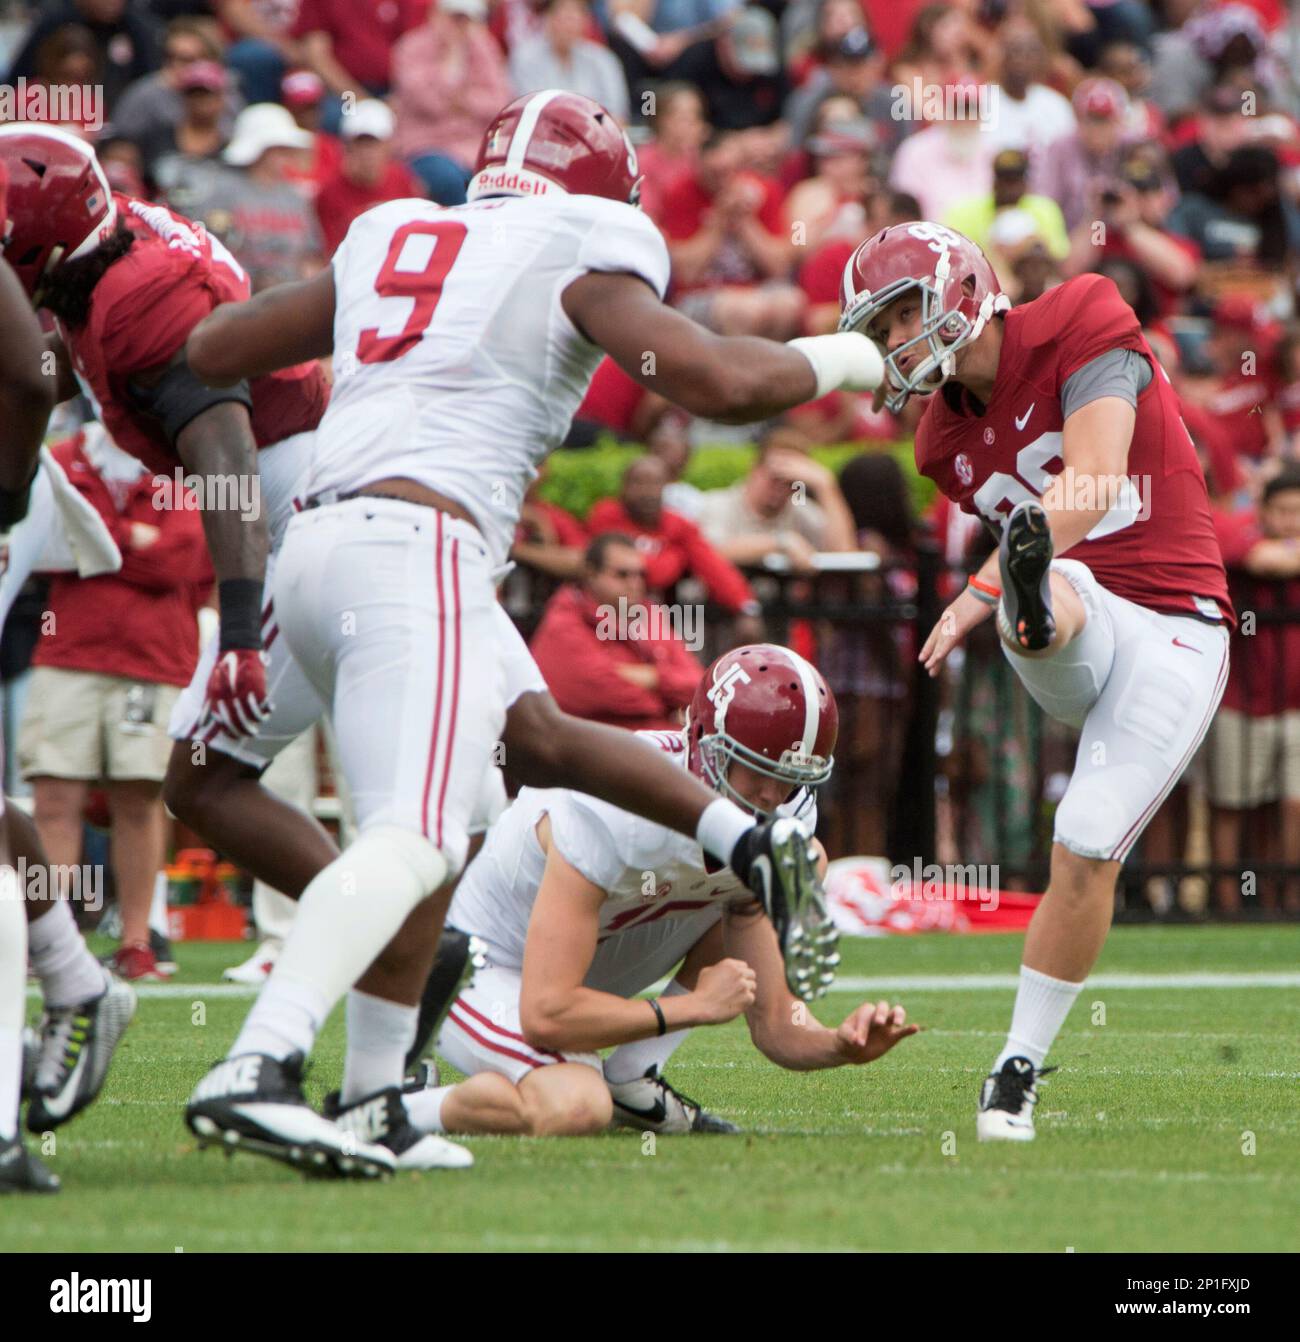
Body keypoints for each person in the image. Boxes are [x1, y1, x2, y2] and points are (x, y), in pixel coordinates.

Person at [179, 88, 883, 1177]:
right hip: (420, 545)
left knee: (223, 776)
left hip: (310, 537)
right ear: (604, 193)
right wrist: (857, 360)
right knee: (411, 843)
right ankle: (258, 1064)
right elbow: (720, 380)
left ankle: (373, 1103)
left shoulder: (394, 230)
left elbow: (215, 343)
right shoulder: (582, 242)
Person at [840, 221, 1231, 1140]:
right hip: (1071, 628)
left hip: (1175, 618)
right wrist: (1007, 585)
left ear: (964, 287)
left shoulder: (1083, 314)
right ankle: (1029, 599)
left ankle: (1014, 1069)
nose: (895, 340)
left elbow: (1091, 482)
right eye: (881, 325)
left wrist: (978, 591)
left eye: (904, 311)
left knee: (1088, 838)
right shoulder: (941, 439)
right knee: (1054, 578)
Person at [406, 645, 916, 1139]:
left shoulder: (785, 819)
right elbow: (546, 1014)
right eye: (758, 769)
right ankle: (398, 1105)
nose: (770, 797)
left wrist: (839, 1044)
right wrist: (691, 1007)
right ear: (703, 741)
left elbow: (777, 1025)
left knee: (799, 864)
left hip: (584, 959)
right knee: (575, 1106)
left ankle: (633, 1075)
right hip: (480, 961)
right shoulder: (615, 806)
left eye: (788, 779)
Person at [18, 422, 211, 983]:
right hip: (70, 651)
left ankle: (137, 942)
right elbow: (42, 546)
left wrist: (100, 540)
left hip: (149, 657)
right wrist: (135, 539)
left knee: (139, 798)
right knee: (53, 795)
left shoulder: (176, 455)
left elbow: (180, 559)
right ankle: (50, 943)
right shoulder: (59, 457)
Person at [1205, 467, 1300, 914]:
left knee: (1291, 808)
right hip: (1242, 701)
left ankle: (1285, 901)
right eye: (1282, 511)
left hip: (1295, 706)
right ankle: (1228, 903)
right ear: (1263, 511)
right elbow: (1265, 560)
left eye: (1299, 512)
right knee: (1232, 808)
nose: (1291, 520)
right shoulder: (1238, 534)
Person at [529, 532, 703, 731]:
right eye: (622, 575)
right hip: (592, 746)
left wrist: (653, 677)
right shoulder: (563, 620)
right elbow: (596, 692)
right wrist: (667, 706)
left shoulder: (648, 613)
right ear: (591, 574)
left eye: (640, 575)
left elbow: (697, 685)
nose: (634, 583)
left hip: (656, 738)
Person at [586, 456, 764, 635]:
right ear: (624, 487)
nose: (647, 492)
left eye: (655, 483)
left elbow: (713, 566)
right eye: (639, 483)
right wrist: (675, 557)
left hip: (656, 620)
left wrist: (745, 606)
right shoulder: (606, 516)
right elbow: (647, 573)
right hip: (604, 617)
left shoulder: (677, 523)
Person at [391, 0, 514, 208]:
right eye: (454, 17)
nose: (459, 26)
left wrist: (463, 101)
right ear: (437, 15)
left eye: (465, 20)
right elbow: (429, 104)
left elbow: (500, 102)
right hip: (427, 146)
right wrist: (452, 61)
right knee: (449, 180)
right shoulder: (411, 47)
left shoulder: (484, 46)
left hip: (476, 147)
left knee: (506, 184)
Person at [697, 424, 857, 572]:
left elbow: (844, 555)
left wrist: (826, 486)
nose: (781, 488)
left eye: (791, 481)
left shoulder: (798, 509)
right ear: (756, 470)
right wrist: (781, 543)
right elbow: (710, 551)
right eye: (776, 477)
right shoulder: (717, 504)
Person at [315, 100, 424, 257]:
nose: (367, 153)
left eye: (374, 144)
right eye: (361, 144)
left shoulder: (403, 180)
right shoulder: (329, 193)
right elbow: (331, 252)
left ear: (388, 146)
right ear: (347, 147)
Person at [510, 0, 630, 122]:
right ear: (547, 17)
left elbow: (617, 114)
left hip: (595, 135)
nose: (568, 23)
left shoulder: (603, 60)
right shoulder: (525, 57)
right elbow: (524, 109)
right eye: (562, 15)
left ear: (586, 20)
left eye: (575, 15)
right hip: (541, 134)